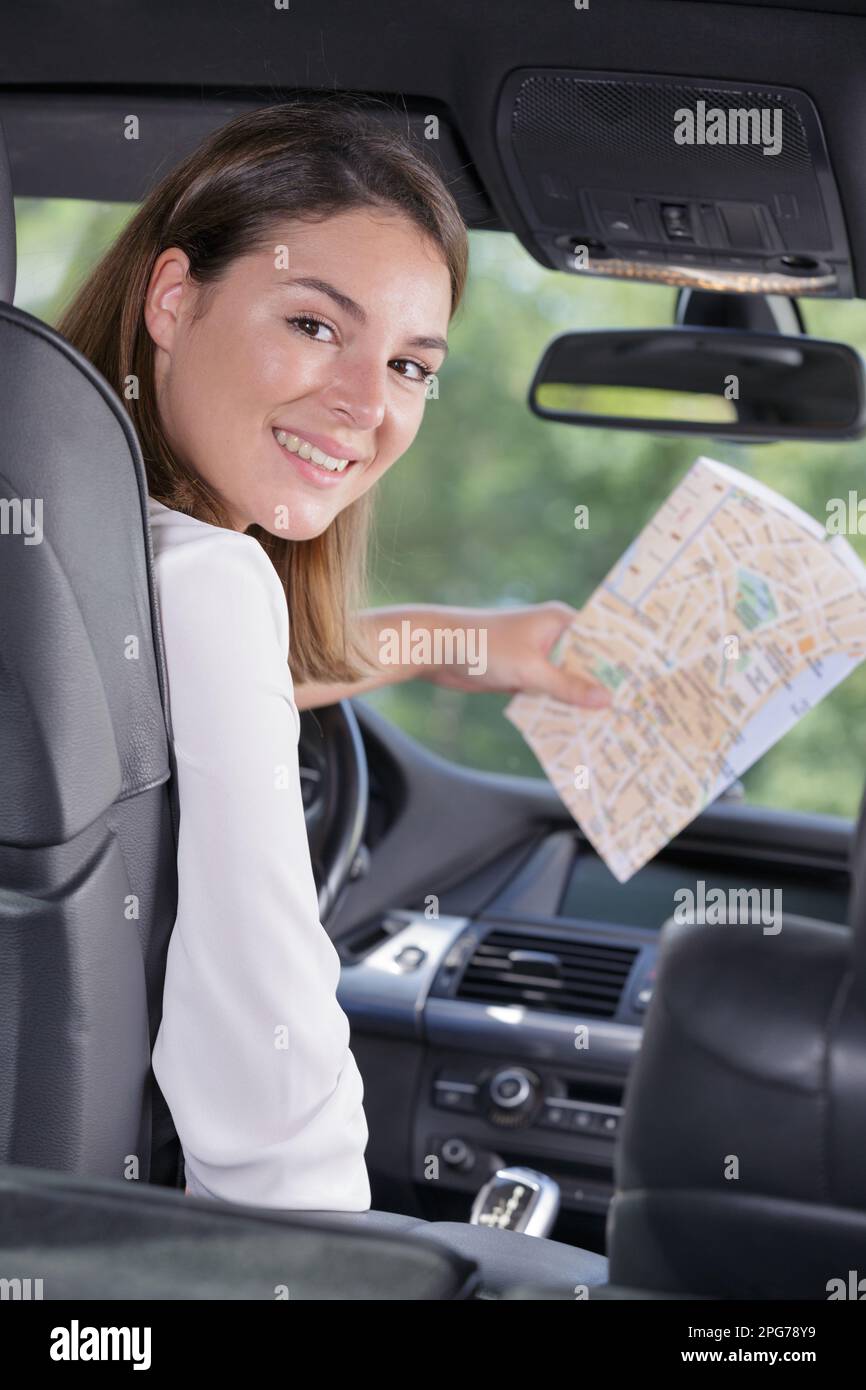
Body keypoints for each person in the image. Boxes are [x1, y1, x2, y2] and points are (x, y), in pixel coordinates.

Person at [57, 96, 611, 1211]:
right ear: (174, 298)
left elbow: (176, 679)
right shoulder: (205, 580)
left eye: (410, 366)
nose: (366, 404)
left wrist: (457, 641)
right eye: (313, 325)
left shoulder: (67, 548)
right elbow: (259, 1045)